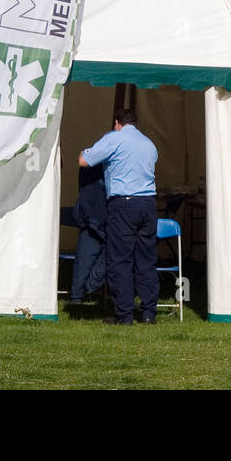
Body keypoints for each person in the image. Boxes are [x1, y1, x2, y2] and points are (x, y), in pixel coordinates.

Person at [79, 107, 159, 325]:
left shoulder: (114, 139)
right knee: (146, 260)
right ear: (135, 123)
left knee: (120, 260)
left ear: (117, 123)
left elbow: (84, 161)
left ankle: (124, 314)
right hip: (148, 204)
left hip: (123, 204)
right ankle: (149, 312)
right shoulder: (149, 144)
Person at [68, 160, 108, 304]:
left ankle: (79, 295)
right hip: (98, 220)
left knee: (84, 260)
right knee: (112, 254)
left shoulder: (89, 165)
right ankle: (84, 291)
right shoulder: (103, 168)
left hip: (92, 220)